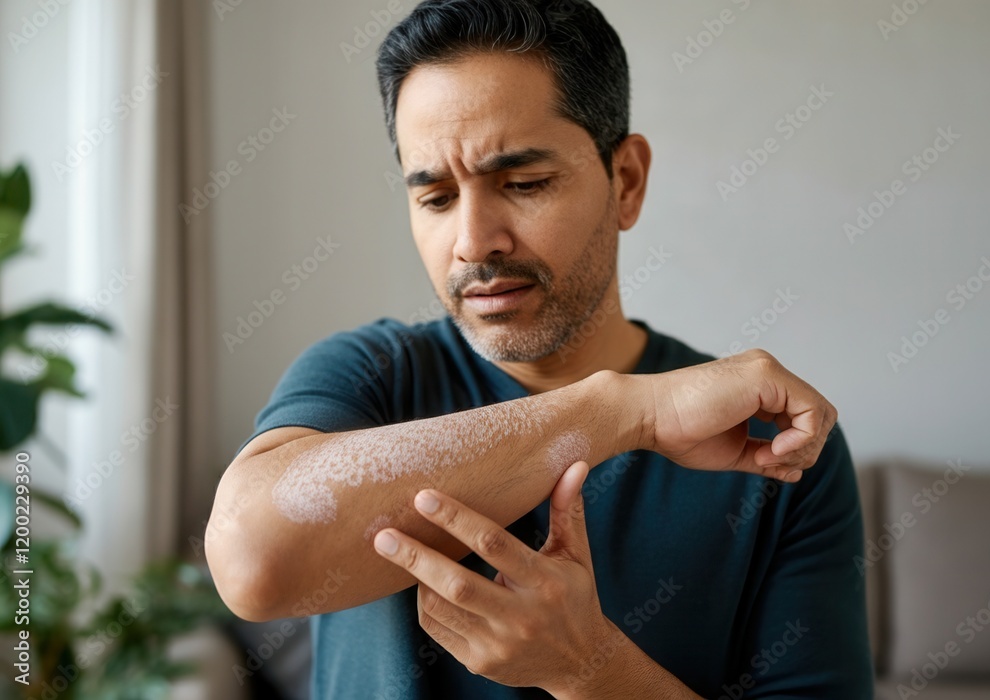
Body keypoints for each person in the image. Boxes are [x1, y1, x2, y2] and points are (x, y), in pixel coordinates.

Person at [206, 1, 875, 697]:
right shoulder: (367, 377)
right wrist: (621, 413)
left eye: (523, 184)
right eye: (434, 197)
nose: (473, 241)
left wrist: (589, 668)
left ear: (627, 182)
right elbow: (252, 560)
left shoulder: (774, 446)